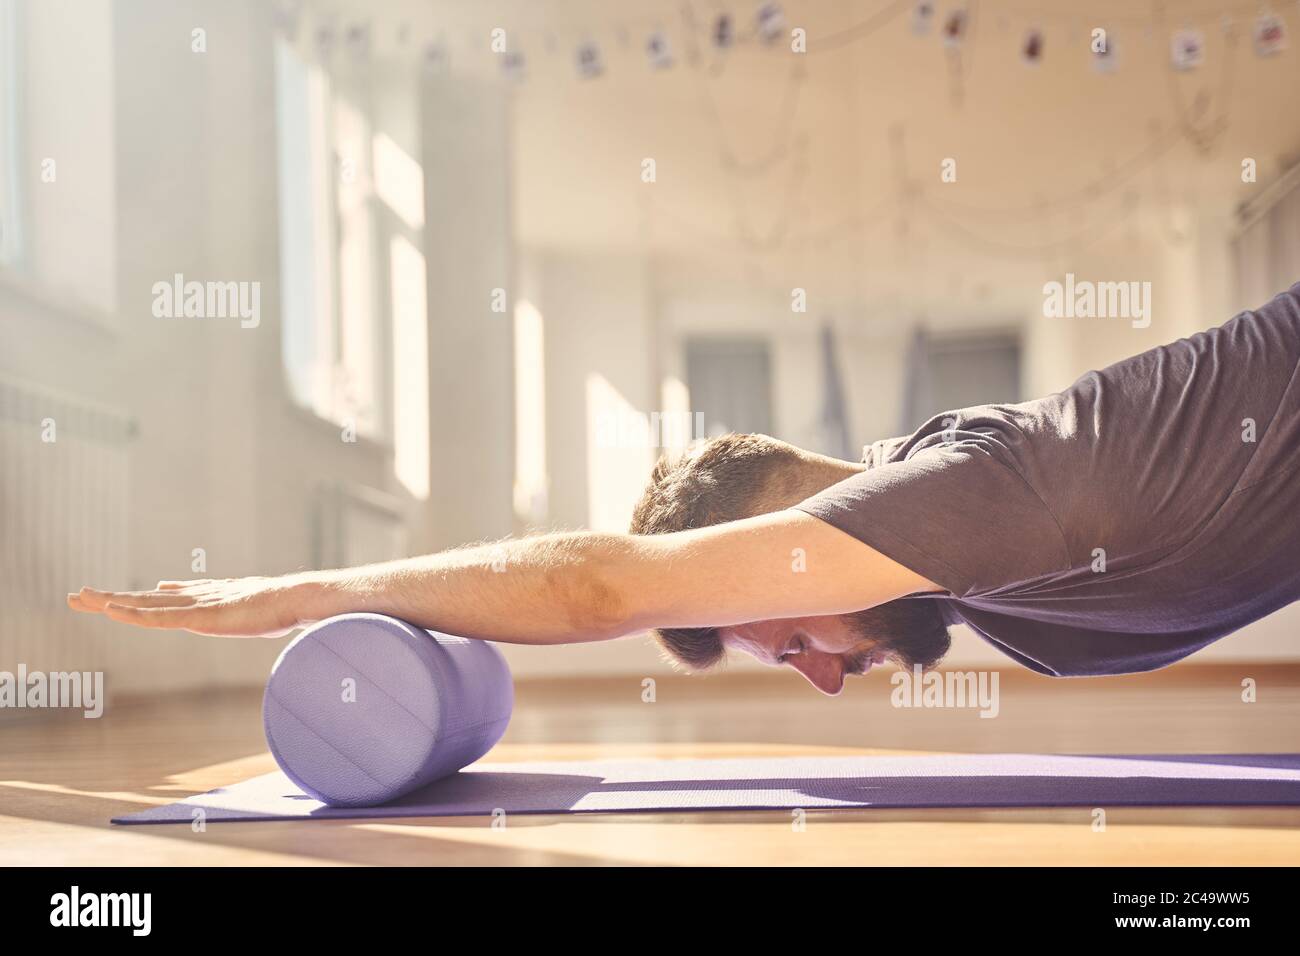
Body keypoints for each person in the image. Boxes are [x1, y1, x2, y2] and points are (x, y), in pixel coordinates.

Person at [72, 283, 1300, 696]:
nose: (821, 669)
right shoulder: (996, 598)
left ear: (777, 532)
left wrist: (307, 590)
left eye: (787, 634)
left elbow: (597, 581)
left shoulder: (964, 495)